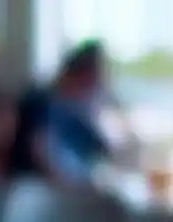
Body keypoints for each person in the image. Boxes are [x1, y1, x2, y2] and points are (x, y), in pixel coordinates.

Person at [6, 41, 112, 186]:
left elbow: (102, 150)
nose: (94, 88)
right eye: (93, 79)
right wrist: (66, 185)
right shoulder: (39, 101)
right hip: (35, 190)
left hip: (67, 189)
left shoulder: (74, 112)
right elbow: (40, 152)